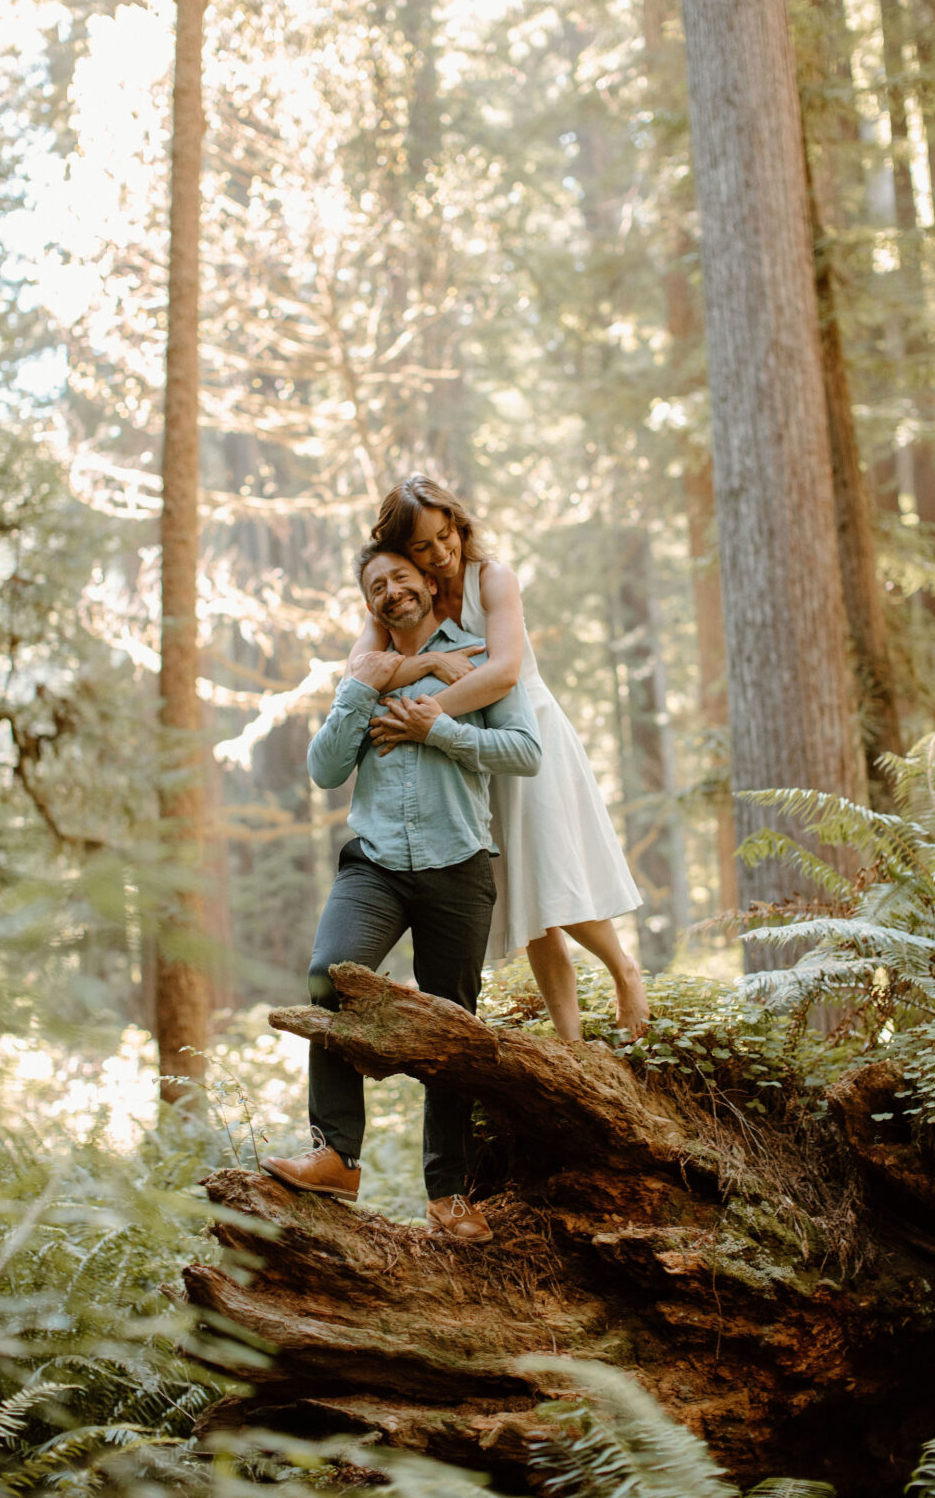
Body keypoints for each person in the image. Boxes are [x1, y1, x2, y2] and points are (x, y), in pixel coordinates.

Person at [263, 544, 541, 1245]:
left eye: (401, 578)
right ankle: (335, 1156)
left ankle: (448, 1194)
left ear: (427, 583)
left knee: (452, 1026)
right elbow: (325, 770)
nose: (391, 592)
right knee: (329, 977)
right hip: (375, 866)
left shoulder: (477, 657)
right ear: (370, 603)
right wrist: (370, 686)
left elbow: (525, 751)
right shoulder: (365, 668)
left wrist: (436, 727)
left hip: (458, 864)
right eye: (376, 586)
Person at [348, 474, 649, 1044]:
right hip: (459, 752)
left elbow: (504, 671)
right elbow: (358, 673)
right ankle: (571, 1044)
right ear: (399, 550)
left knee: (550, 873)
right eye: (421, 546)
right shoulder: (401, 590)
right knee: (523, 897)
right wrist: (426, 670)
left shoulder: (493, 579)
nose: (440, 553)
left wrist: (422, 719)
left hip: (522, 732)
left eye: (446, 536)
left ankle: (624, 971)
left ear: (459, 525)